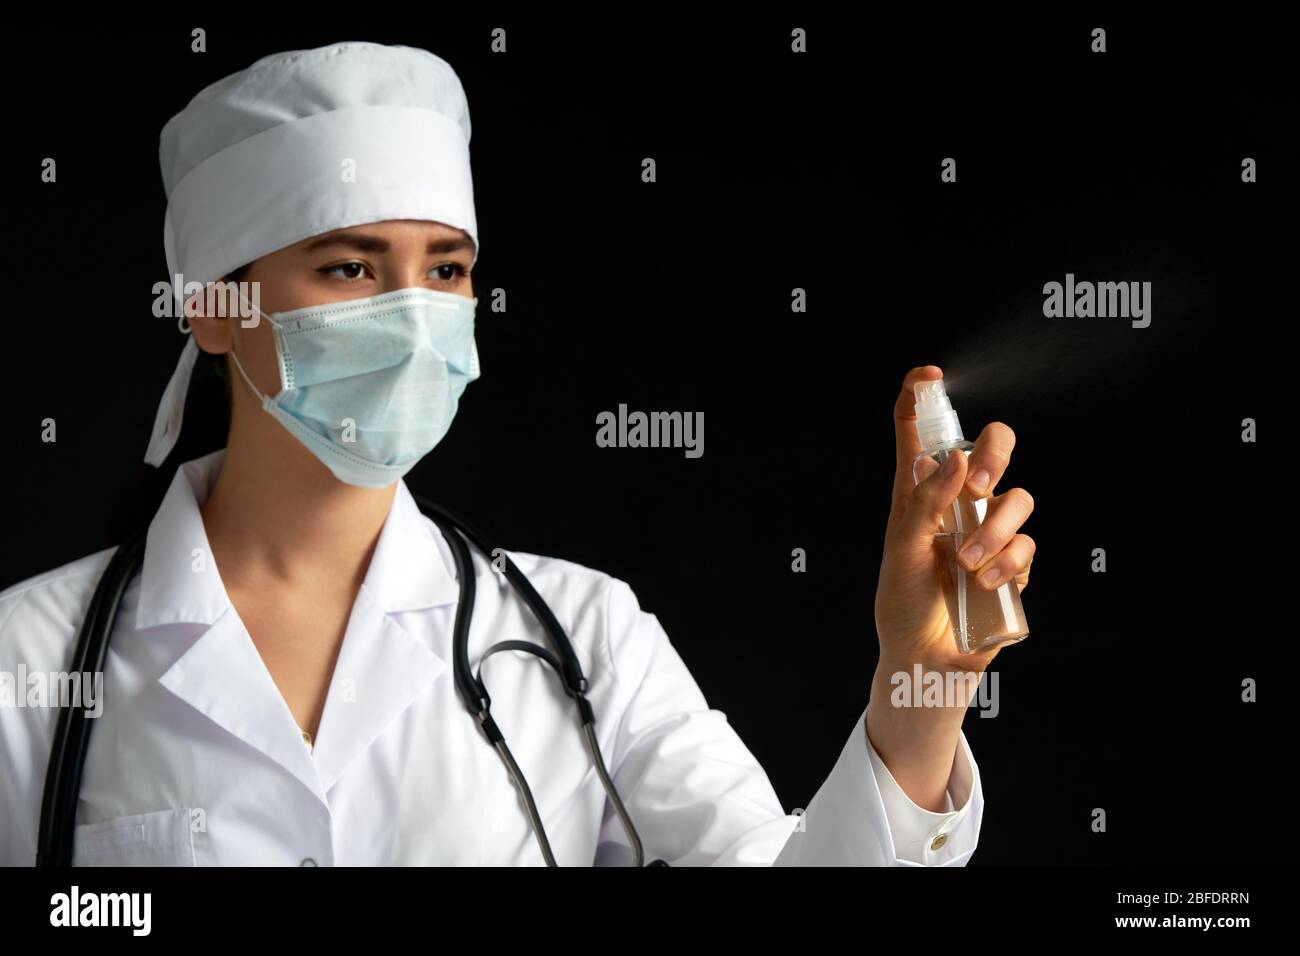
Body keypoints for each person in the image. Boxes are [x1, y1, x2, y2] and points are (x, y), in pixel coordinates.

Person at [0, 41, 1035, 866]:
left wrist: (919, 686)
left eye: (444, 269)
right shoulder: (27, 662)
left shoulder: (584, 636)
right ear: (213, 308)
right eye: (351, 264)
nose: (412, 319)